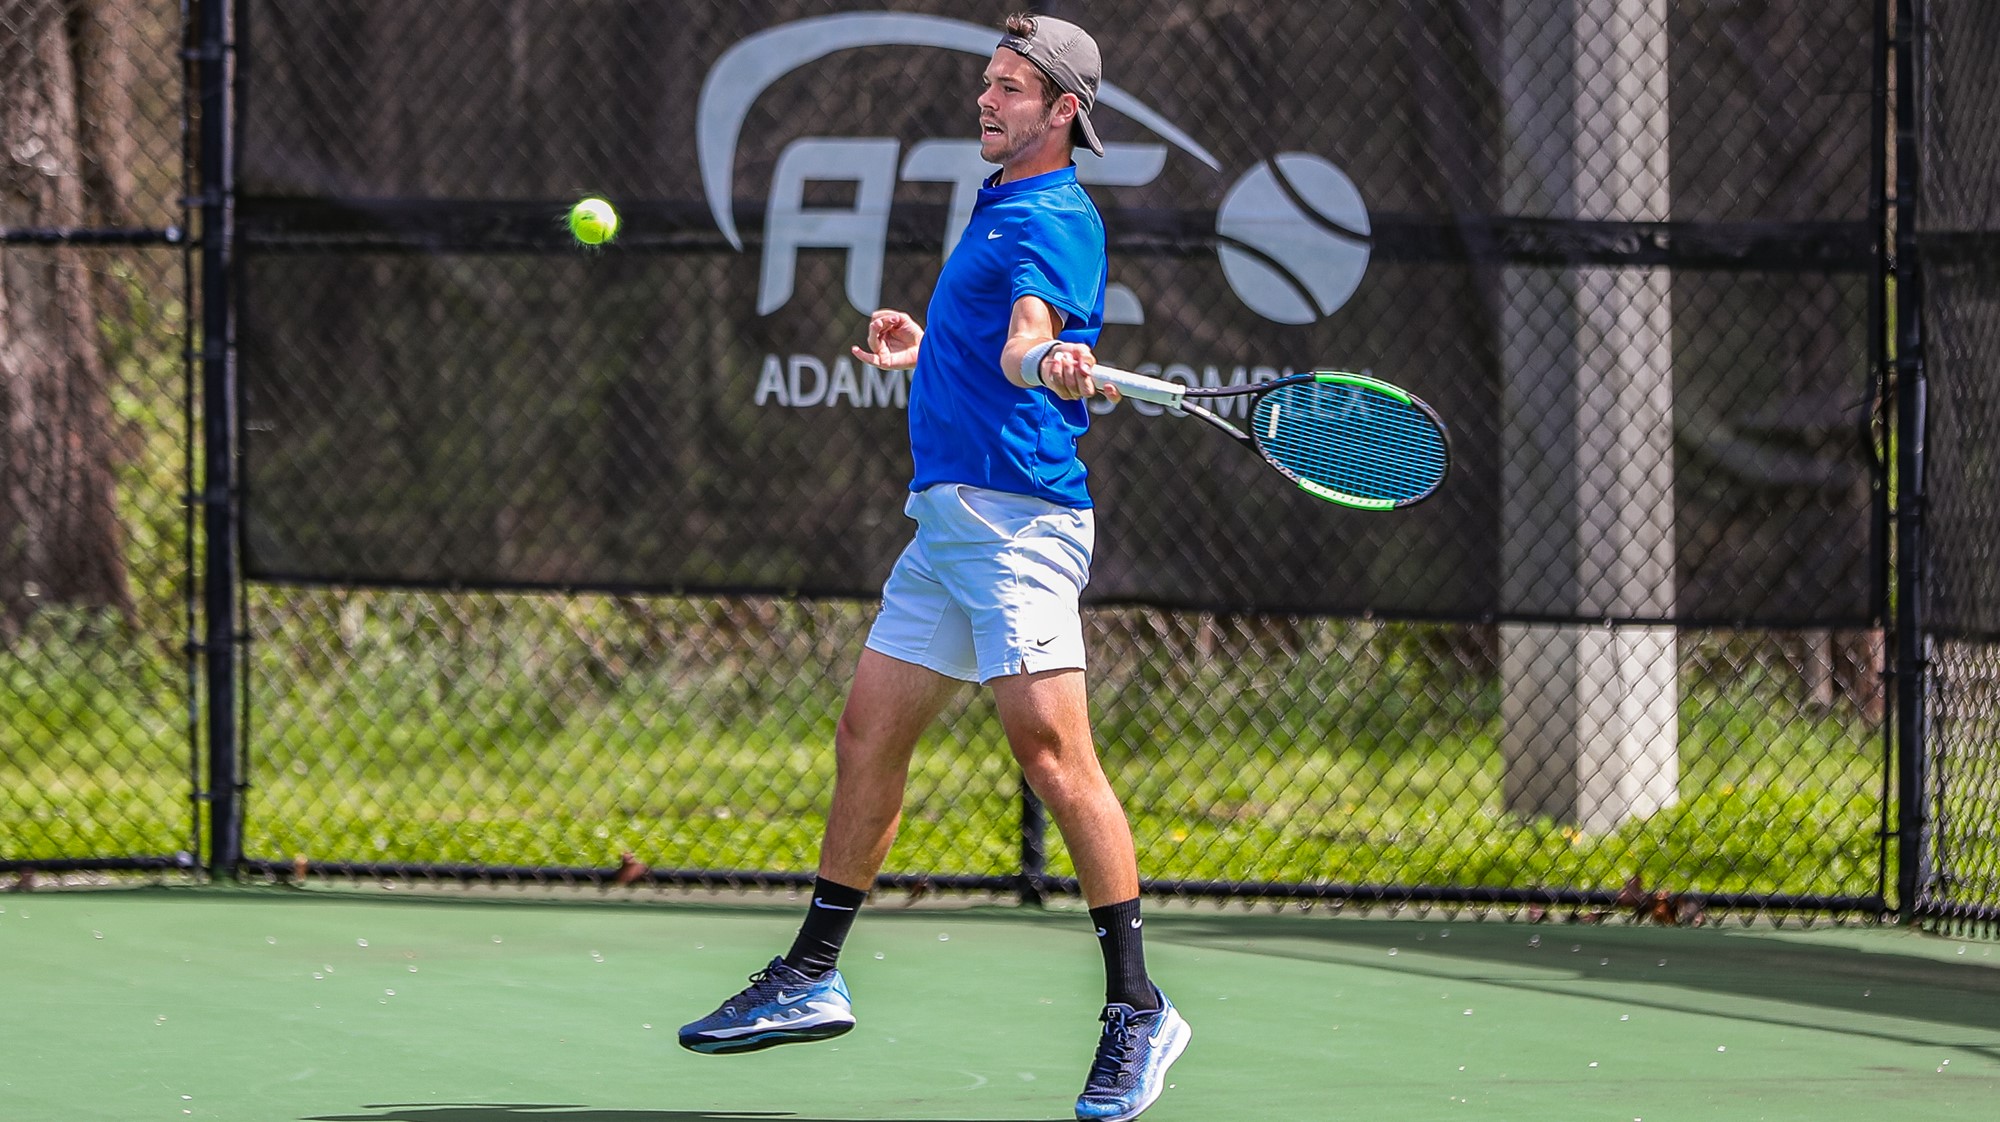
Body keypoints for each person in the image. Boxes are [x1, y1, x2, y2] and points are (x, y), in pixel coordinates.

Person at [678, 13, 1188, 1122]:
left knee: (1055, 764)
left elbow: (1026, 333)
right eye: (987, 83)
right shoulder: (998, 202)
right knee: (866, 733)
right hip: (948, 528)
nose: (985, 101)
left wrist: (1032, 354)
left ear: (1063, 113)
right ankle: (811, 976)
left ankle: (1138, 1009)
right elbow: (990, 349)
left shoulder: (1051, 216)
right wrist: (933, 354)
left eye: (1010, 89)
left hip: (1015, 529)